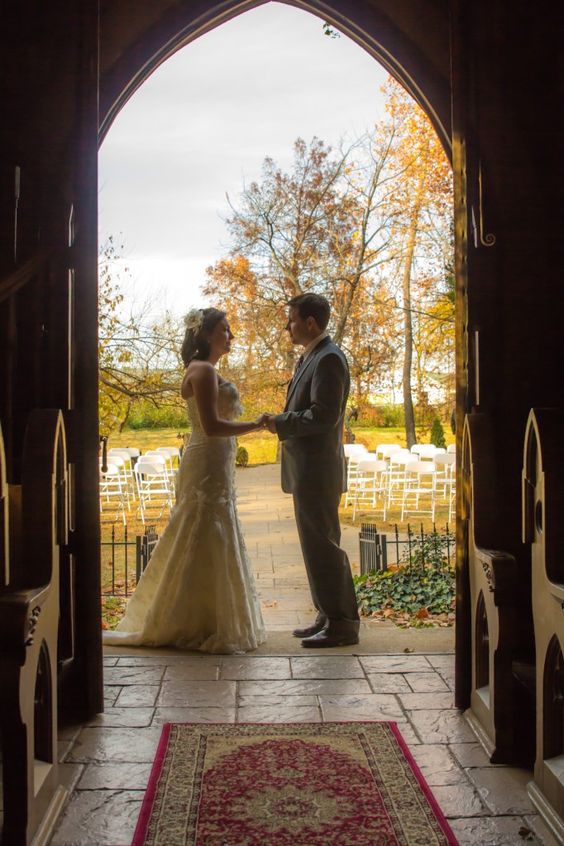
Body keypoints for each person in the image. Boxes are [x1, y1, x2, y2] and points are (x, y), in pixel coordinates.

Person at [104, 308, 267, 653]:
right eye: (225, 329)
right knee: (204, 523)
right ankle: (196, 618)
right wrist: (257, 425)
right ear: (207, 334)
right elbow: (212, 426)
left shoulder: (202, 369)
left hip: (212, 457)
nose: (231, 336)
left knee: (212, 525)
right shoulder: (204, 370)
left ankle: (203, 614)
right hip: (208, 455)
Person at [264, 293, 360, 648]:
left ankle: (343, 624)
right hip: (306, 469)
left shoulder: (330, 359)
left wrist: (281, 422)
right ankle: (327, 613)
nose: (286, 326)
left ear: (310, 323)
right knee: (315, 545)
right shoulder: (312, 356)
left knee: (324, 545)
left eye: (290, 319)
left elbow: (324, 415)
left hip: (318, 471)